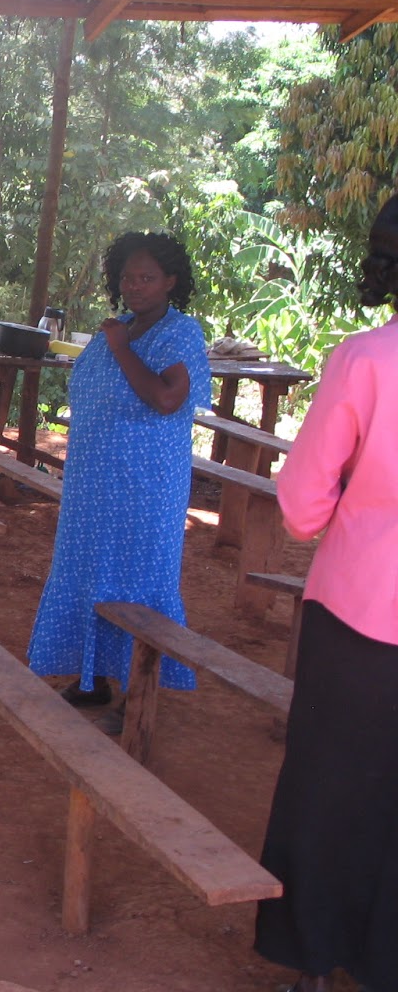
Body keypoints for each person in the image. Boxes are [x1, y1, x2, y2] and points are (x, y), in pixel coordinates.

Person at [254, 193, 398, 992]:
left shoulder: (368, 360)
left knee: (331, 786)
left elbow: (303, 504)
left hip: (363, 611)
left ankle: (313, 958)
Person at [25, 231, 211, 734]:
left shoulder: (180, 331)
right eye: (128, 277)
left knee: (138, 583)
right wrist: (119, 339)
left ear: (171, 281)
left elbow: (166, 398)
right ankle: (93, 679)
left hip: (144, 488)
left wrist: (121, 347)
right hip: (94, 487)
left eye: (147, 277)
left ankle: (139, 694)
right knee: (90, 574)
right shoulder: (122, 326)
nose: (134, 285)